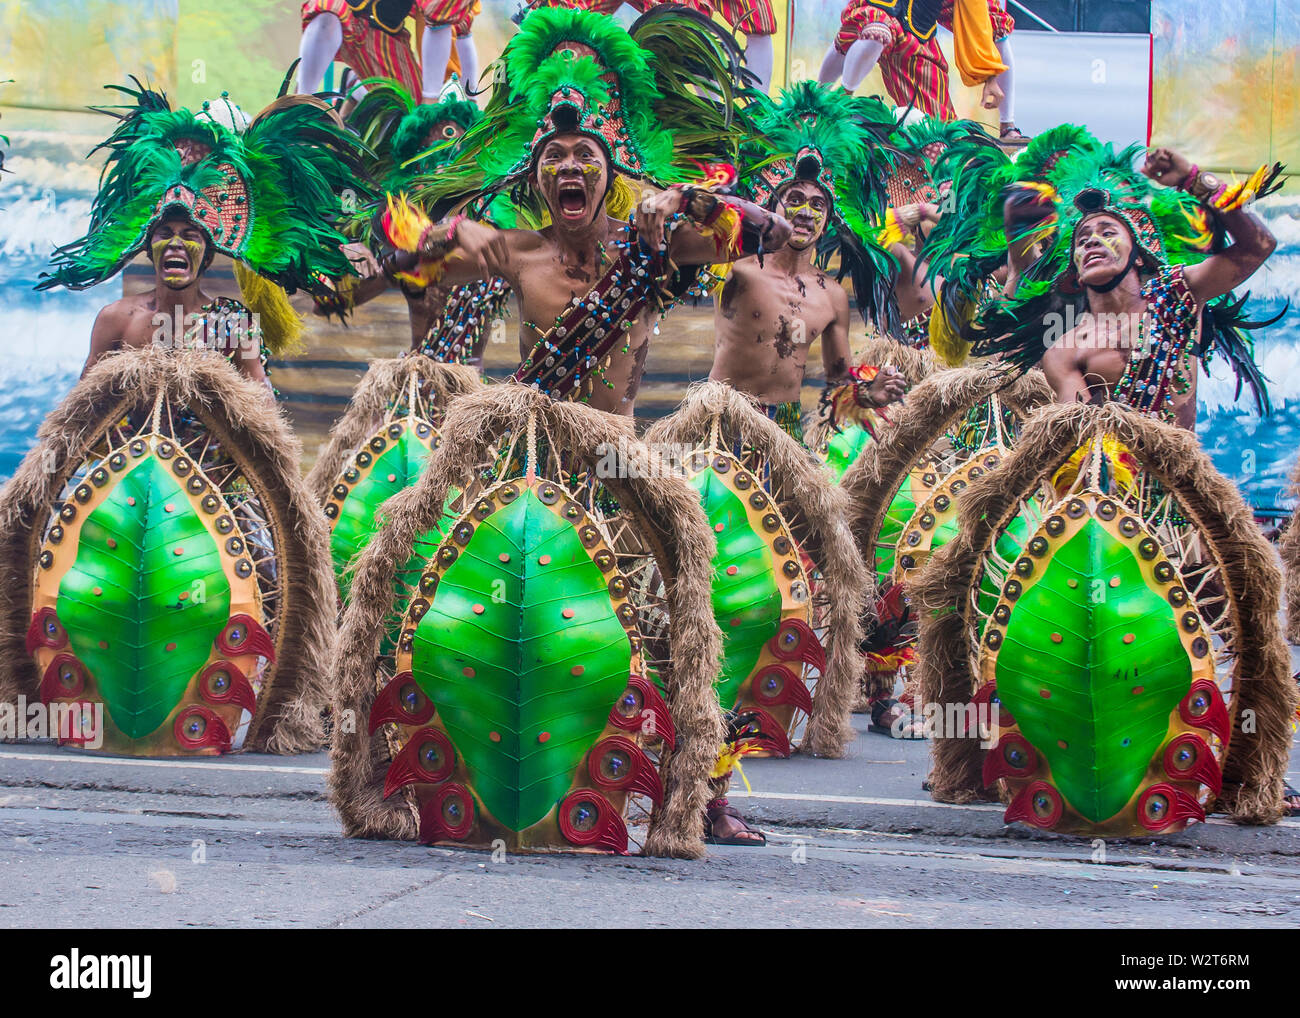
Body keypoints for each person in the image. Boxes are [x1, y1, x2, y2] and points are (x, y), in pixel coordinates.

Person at [386, 6, 791, 417]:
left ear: (612, 177)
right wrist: (449, 231)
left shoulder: (653, 245)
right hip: (531, 466)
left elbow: (775, 233)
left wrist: (687, 199)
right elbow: (400, 266)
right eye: (554, 156)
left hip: (615, 464)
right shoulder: (515, 251)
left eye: (585, 154)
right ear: (535, 179)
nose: (569, 166)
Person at [39, 85, 367, 389]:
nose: (176, 243)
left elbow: (265, 420)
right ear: (150, 250)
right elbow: (79, 417)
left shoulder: (231, 323)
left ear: (207, 256)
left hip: (208, 453)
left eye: (190, 235)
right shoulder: (117, 320)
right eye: (165, 233)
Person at [968, 145, 1281, 429]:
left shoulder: (1178, 296)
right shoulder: (1063, 350)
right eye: (1082, 239)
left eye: (1107, 231)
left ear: (1141, 257)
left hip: (1180, 488)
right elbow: (1080, 441)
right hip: (1100, 487)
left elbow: (1258, 246)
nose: (1092, 240)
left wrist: (1192, 179)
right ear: (1075, 273)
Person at [710, 82, 908, 444]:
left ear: (829, 222)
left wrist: (869, 392)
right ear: (773, 206)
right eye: (795, 199)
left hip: (784, 432)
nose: (805, 212)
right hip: (720, 420)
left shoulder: (831, 296)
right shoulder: (735, 268)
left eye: (818, 206)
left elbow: (838, 380)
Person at [819, 0, 1021, 139]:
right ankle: (826, 100)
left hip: (916, 39)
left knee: (938, 136)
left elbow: (985, 23)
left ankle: (1007, 126)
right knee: (875, 30)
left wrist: (990, 77)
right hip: (879, 17)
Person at [298, 1, 478, 101]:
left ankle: (355, 92)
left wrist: (430, 101)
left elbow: (444, 21)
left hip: (383, 35)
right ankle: (299, 104)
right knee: (328, 13)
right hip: (342, 13)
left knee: (408, 111)